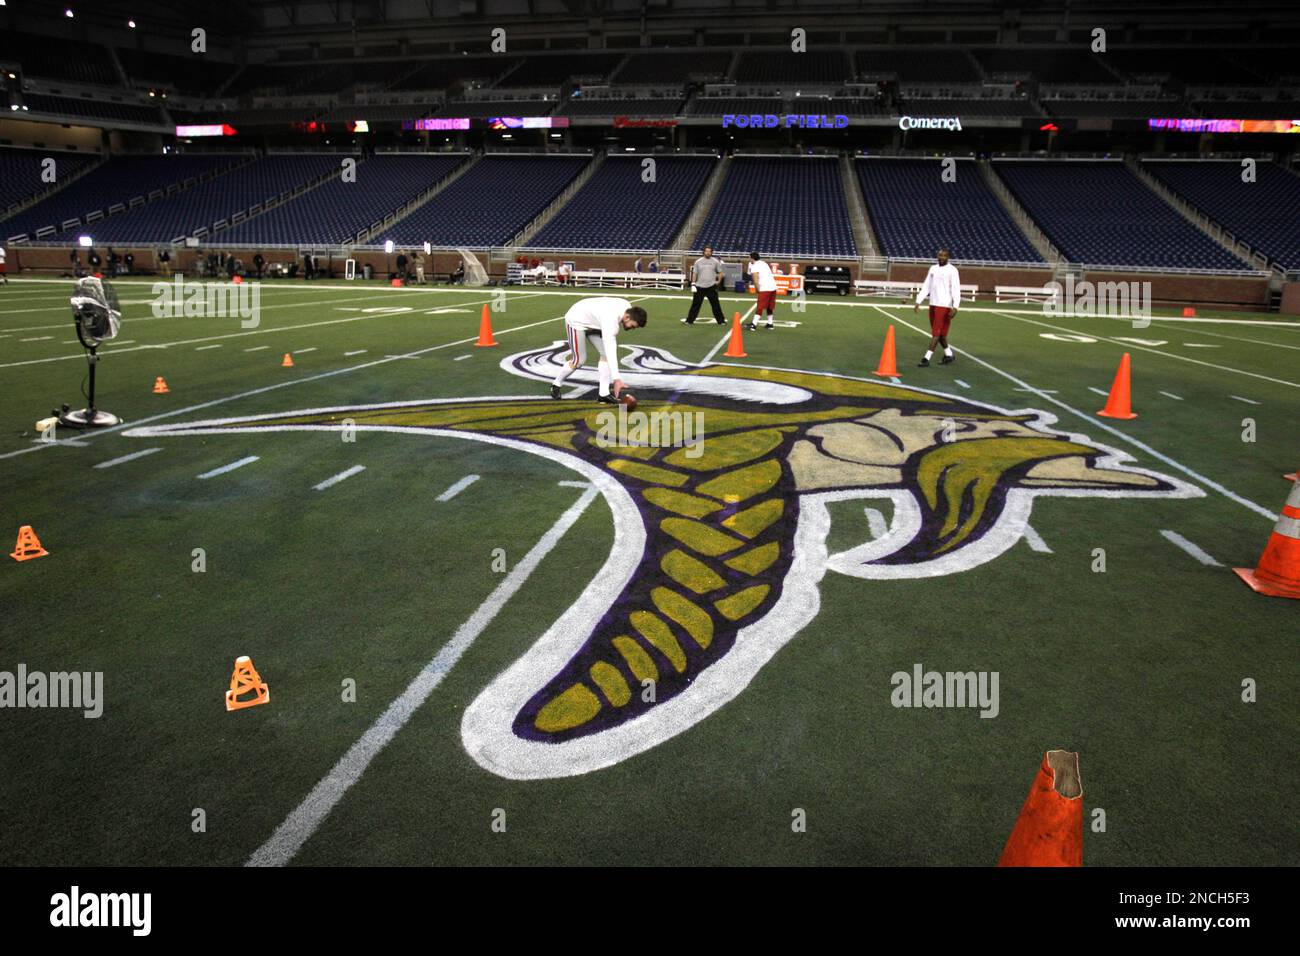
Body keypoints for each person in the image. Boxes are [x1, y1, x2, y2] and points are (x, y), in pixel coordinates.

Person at [549, 296, 648, 404]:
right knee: (579, 361)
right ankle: (556, 384)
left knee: (605, 355)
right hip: (577, 320)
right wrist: (616, 379)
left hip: (594, 321)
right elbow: (611, 350)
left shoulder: (627, 307)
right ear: (627, 317)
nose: (631, 328)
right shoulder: (611, 321)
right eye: (633, 326)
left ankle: (603, 394)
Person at [913, 248, 961, 367]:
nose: (941, 257)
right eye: (940, 255)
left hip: (944, 305)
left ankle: (926, 358)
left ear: (948, 257)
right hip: (933, 303)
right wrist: (918, 301)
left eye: (944, 256)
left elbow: (956, 289)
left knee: (936, 333)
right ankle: (949, 355)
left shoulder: (952, 270)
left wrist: (955, 307)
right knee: (940, 334)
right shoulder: (933, 269)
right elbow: (926, 286)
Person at [683, 244, 726, 325]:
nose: (708, 253)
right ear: (704, 252)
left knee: (716, 305)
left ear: (711, 252)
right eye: (706, 251)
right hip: (699, 287)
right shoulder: (698, 262)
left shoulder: (715, 262)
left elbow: (720, 273)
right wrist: (693, 284)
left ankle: (721, 321)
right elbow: (695, 273)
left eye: (709, 251)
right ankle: (689, 321)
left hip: (711, 287)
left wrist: (718, 281)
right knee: (695, 305)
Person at [747, 252, 777, 331]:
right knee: (769, 306)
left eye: (749, 258)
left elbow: (756, 280)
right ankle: (770, 324)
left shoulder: (755, 266)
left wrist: (757, 290)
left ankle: (754, 324)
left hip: (765, 287)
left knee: (760, 306)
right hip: (773, 286)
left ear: (752, 258)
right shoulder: (764, 263)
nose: (749, 259)